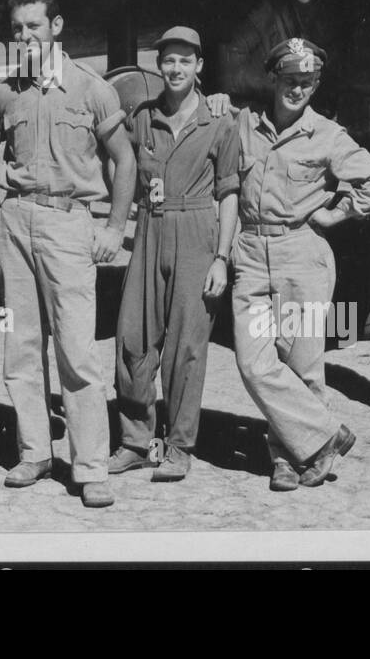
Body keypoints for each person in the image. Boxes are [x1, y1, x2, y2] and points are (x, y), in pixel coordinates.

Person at [0, 0, 136, 508]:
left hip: (70, 225)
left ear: (56, 26)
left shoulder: (91, 89)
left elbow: (125, 160)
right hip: (16, 223)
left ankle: (90, 465)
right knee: (20, 346)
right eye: (17, 28)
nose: (25, 36)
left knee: (76, 349)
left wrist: (114, 227)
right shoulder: (4, 94)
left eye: (34, 26)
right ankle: (35, 452)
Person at [231, 37, 370, 491]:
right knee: (254, 361)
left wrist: (338, 213)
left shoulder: (328, 136)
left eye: (307, 82)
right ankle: (326, 434)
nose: (297, 90)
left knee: (302, 363)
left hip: (302, 254)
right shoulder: (246, 125)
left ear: (316, 84)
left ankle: (289, 459)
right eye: (289, 80)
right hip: (252, 255)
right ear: (273, 79)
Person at [108, 27, 240, 483]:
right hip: (149, 227)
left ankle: (180, 446)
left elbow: (229, 194)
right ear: (158, 65)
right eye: (168, 61)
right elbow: (112, 151)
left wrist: (222, 257)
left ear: (199, 66)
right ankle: (136, 441)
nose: (176, 69)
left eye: (186, 61)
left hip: (198, 230)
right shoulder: (142, 117)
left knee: (186, 346)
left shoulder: (220, 122)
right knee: (133, 337)